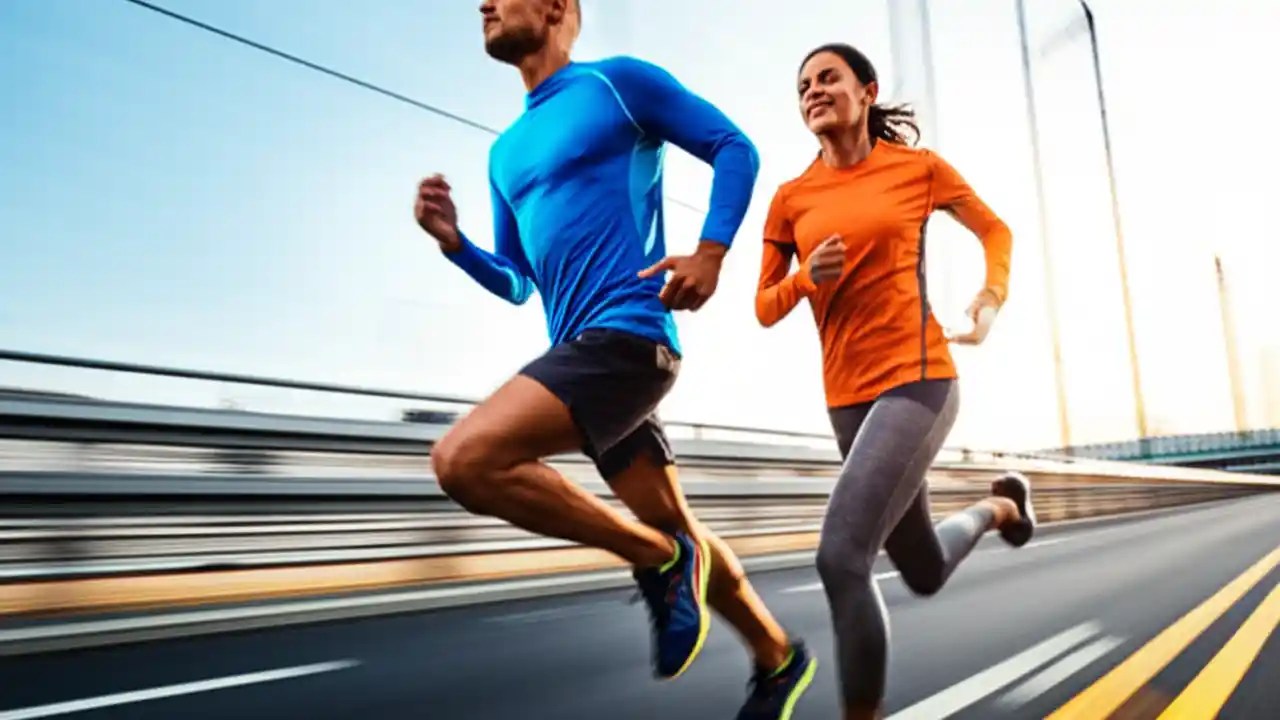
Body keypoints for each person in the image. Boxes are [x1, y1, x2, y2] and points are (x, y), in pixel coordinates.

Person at [413, 1, 815, 716]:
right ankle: (778, 657)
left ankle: (657, 562)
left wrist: (712, 253)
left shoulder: (617, 83)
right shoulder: (503, 152)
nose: (484, 3)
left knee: (464, 461)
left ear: (557, 8)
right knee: (682, 529)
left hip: (628, 341)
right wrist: (455, 244)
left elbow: (734, 147)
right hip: (581, 357)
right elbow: (515, 281)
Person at [755, 43, 1038, 720]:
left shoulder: (918, 170)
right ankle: (1002, 508)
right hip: (846, 399)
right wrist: (803, 279)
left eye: (828, 79)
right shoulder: (791, 199)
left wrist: (990, 296)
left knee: (841, 558)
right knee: (922, 569)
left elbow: (994, 228)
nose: (813, 92)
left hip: (920, 379)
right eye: (803, 87)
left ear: (867, 91)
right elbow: (764, 306)